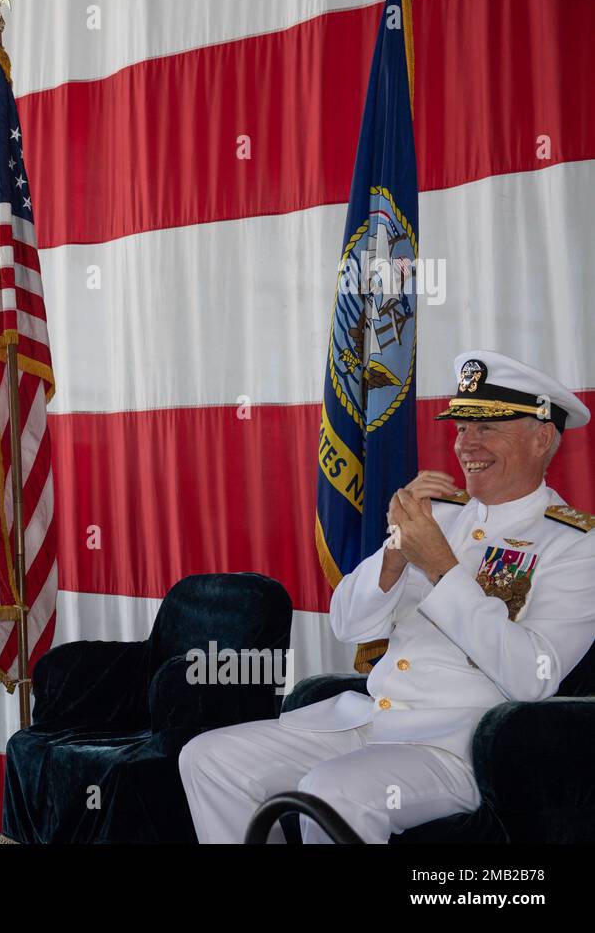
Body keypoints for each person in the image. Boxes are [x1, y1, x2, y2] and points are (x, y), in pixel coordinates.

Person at [180, 350, 595, 843]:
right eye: (461, 427)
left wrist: (442, 566)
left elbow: (533, 678)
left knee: (330, 792)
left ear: (542, 437)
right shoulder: (439, 515)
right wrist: (397, 554)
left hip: (458, 745)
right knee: (208, 758)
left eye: (487, 428)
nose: (467, 444)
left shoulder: (575, 544)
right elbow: (349, 626)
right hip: (372, 720)